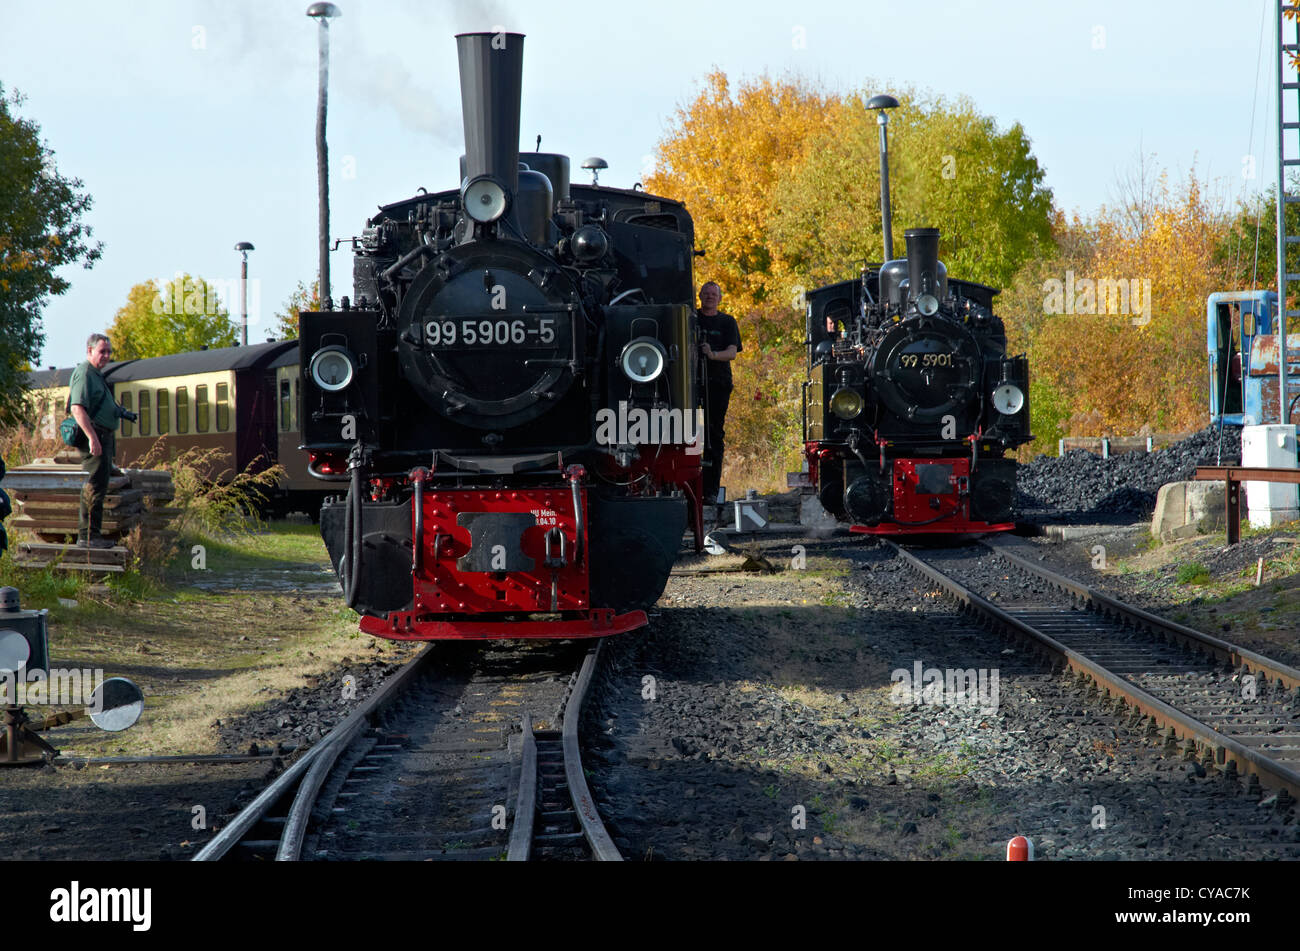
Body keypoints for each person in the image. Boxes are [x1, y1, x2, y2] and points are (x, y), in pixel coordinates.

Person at [68, 333, 135, 548]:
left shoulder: (96, 374)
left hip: (104, 436)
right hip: (95, 436)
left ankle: (92, 535)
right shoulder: (85, 373)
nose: (106, 355)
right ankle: (88, 537)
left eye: (109, 352)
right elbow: (77, 408)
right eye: (102, 351)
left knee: (100, 484)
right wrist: (92, 438)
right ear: (89, 351)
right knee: (94, 486)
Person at [696, 281, 742, 507]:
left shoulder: (727, 322)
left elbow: (732, 353)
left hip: (717, 383)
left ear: (720, 298)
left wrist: (712, 354)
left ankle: (711, 490)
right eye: (706, 293)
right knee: (690, 435)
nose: (710, 297)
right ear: (699, 296)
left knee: (714, 436)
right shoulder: (691, 318)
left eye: (713, 294)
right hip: (693, 384)